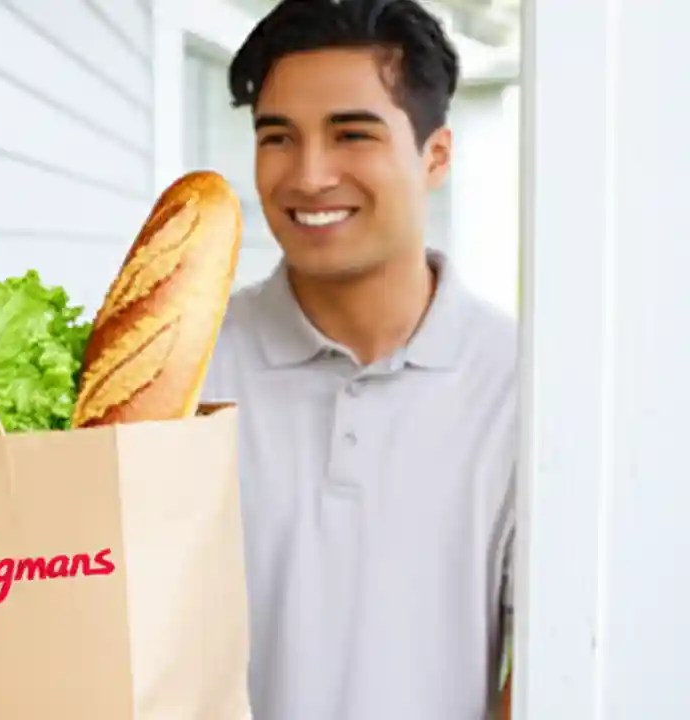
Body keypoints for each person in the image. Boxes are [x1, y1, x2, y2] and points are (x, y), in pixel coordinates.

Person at [199, 1, 516, 719]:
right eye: (277, 137)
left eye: (352, 134)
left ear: (436, 155)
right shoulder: (192, 370)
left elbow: (540, 668)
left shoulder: (522, 386)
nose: (308, 176)